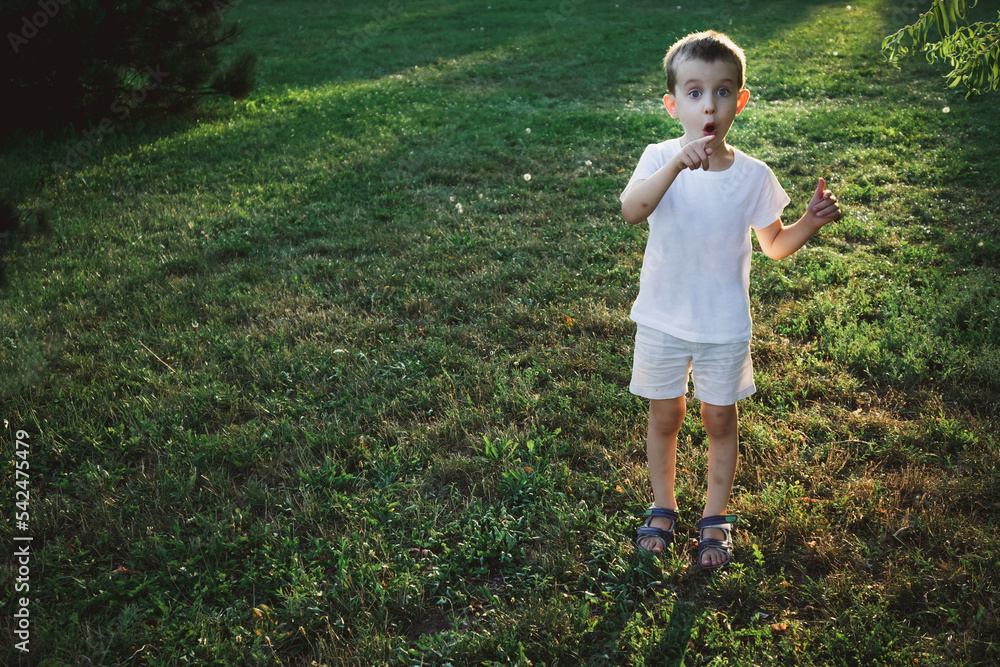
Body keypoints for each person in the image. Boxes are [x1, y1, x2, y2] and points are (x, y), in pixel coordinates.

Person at [620, 30, 841, 569]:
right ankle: (663, 506)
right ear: (673, 105)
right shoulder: (658, 157)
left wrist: (808, 223)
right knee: (665, 415)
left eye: (722, 92)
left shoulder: (753, 176)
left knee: (719, 419)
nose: (709, 105)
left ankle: (714, 517)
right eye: (694, 93)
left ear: (738, 101)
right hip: (663, 318)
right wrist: (677, 164)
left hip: (722, 325)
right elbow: (631, 210)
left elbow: (774, 245)